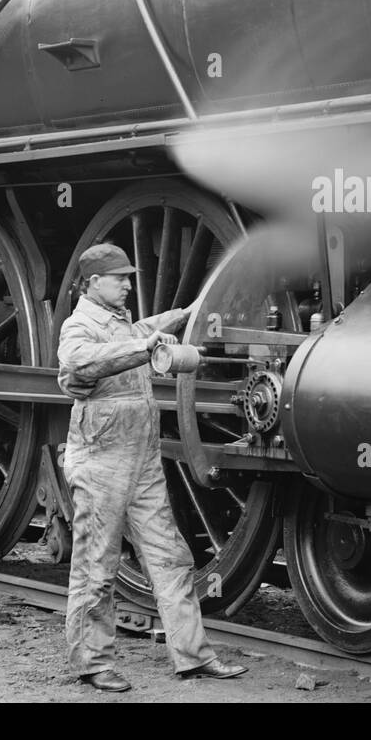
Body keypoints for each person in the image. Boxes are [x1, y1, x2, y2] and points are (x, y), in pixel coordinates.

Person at [57, 242, 246, 692]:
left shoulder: (122, 323)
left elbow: (146, 327)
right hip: (101, 462)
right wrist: (143, 347)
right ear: (92, 283)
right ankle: (92, 663)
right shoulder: (80, 324)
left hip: (141, 461)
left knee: (171, 557)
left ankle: (193, 656)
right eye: (119, 277)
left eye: (127, 276)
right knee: (95, 566)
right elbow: (75, 360)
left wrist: (188, 312)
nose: (127, 283)